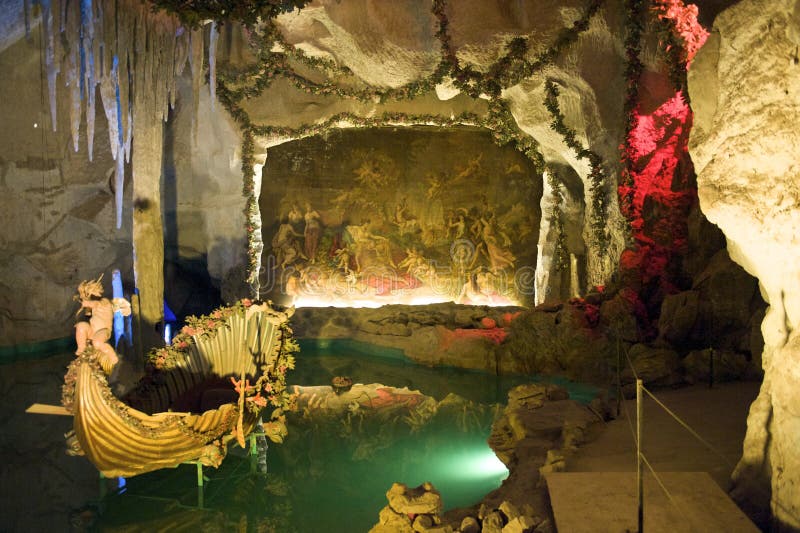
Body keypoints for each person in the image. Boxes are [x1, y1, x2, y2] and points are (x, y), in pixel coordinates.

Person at [74, 275, 130, 373]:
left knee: (97, 342)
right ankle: (81, 348)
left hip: (103, 331)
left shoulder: (104, 303)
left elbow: (92, 303)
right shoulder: (96, 305)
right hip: (92, 330)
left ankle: (113, 357)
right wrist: (85, 300)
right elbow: (88, 311)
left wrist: (85, 301)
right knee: (81, 326)